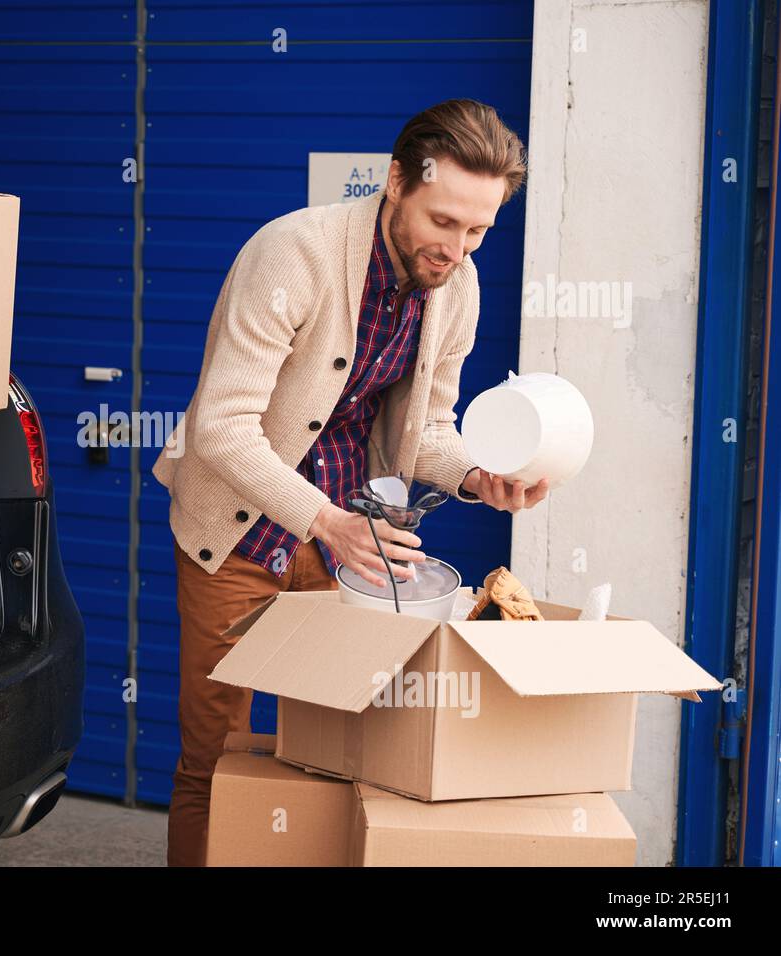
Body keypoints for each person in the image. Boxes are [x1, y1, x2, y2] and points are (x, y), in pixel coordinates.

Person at [150, 98, 549, 867]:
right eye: (443, 221)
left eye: (477, 231)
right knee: (215, 754)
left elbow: (430, 429)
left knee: (334, 753)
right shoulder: (292, 253)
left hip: (347, 549)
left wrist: (476, 477)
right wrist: (324, 522)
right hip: (237, 535)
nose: (457, 248)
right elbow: (221, 427)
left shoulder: (457, 288)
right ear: (396, 181)